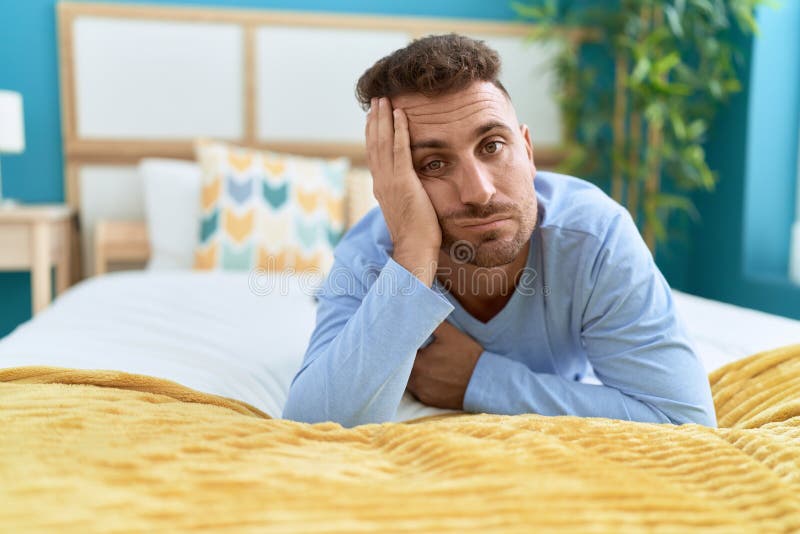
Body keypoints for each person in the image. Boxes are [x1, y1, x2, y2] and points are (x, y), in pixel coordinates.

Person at [282, 34, 716, 428]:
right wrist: (413, 252)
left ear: (526, 150)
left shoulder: (595, 236)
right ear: (396, 183)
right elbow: (313, 425)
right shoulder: (370, 255)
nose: (479, 192)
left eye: (492, 146)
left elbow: (683, 419)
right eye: (433, 164)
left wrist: (480, 378)